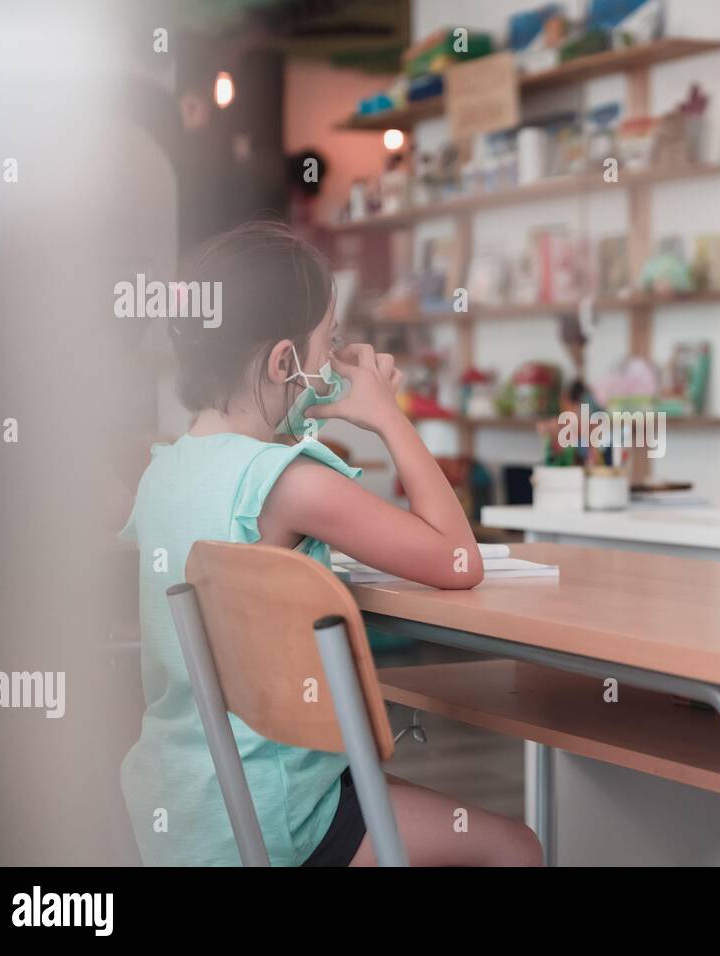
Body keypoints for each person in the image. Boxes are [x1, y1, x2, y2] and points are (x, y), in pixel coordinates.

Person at [120, 220, 541, 866]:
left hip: (188, 809)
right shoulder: (291, 484)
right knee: (516, 848)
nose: (338, 361)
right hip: (278, 815)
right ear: (285, 362)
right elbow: (459, 560)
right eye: (332, 343)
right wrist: (385, 415)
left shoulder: (163, 472)